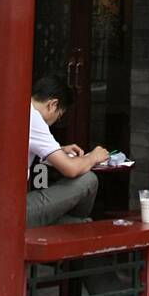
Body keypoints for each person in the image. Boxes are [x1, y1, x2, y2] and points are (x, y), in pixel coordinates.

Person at [25, 74, 109, 227]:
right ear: (52, 104)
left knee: (77, 224)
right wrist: (94, 157)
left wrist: (58, 150)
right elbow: (70, 169)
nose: (57, 121)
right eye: (59, 115)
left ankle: (79, 224)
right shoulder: (34, 118)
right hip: (16, 211)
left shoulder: (20, 108)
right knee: (88, 180)